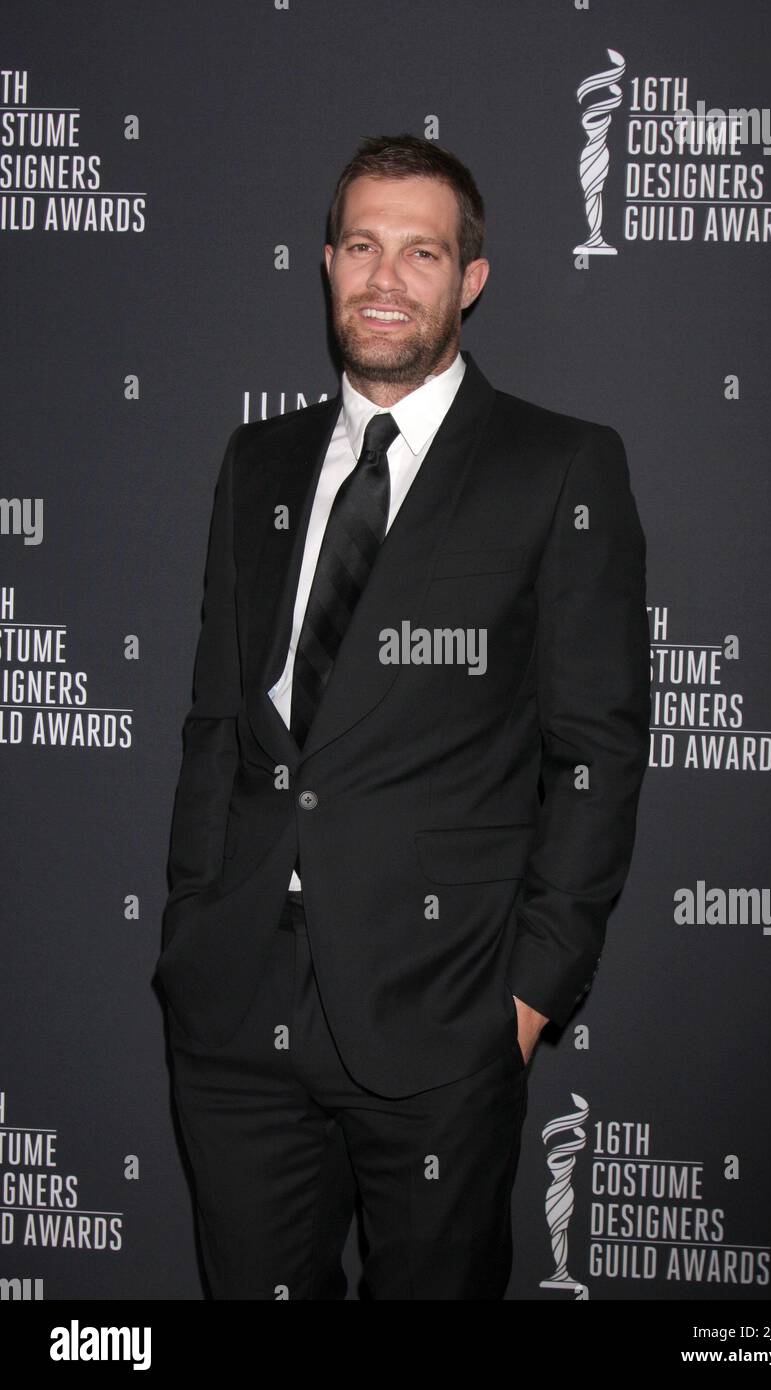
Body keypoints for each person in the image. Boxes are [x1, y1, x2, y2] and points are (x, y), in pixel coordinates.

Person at [156, 133, 651, 1300]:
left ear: (468, 279)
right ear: (324, 263)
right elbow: (216, 720)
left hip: (441, 1013)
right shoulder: (258, 462)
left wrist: (525, 1000)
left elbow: (595, 753)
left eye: (420, 253)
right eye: (362, 247)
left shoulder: (556, 467)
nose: (385, 281)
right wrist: (191, 918)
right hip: (235, 1007)